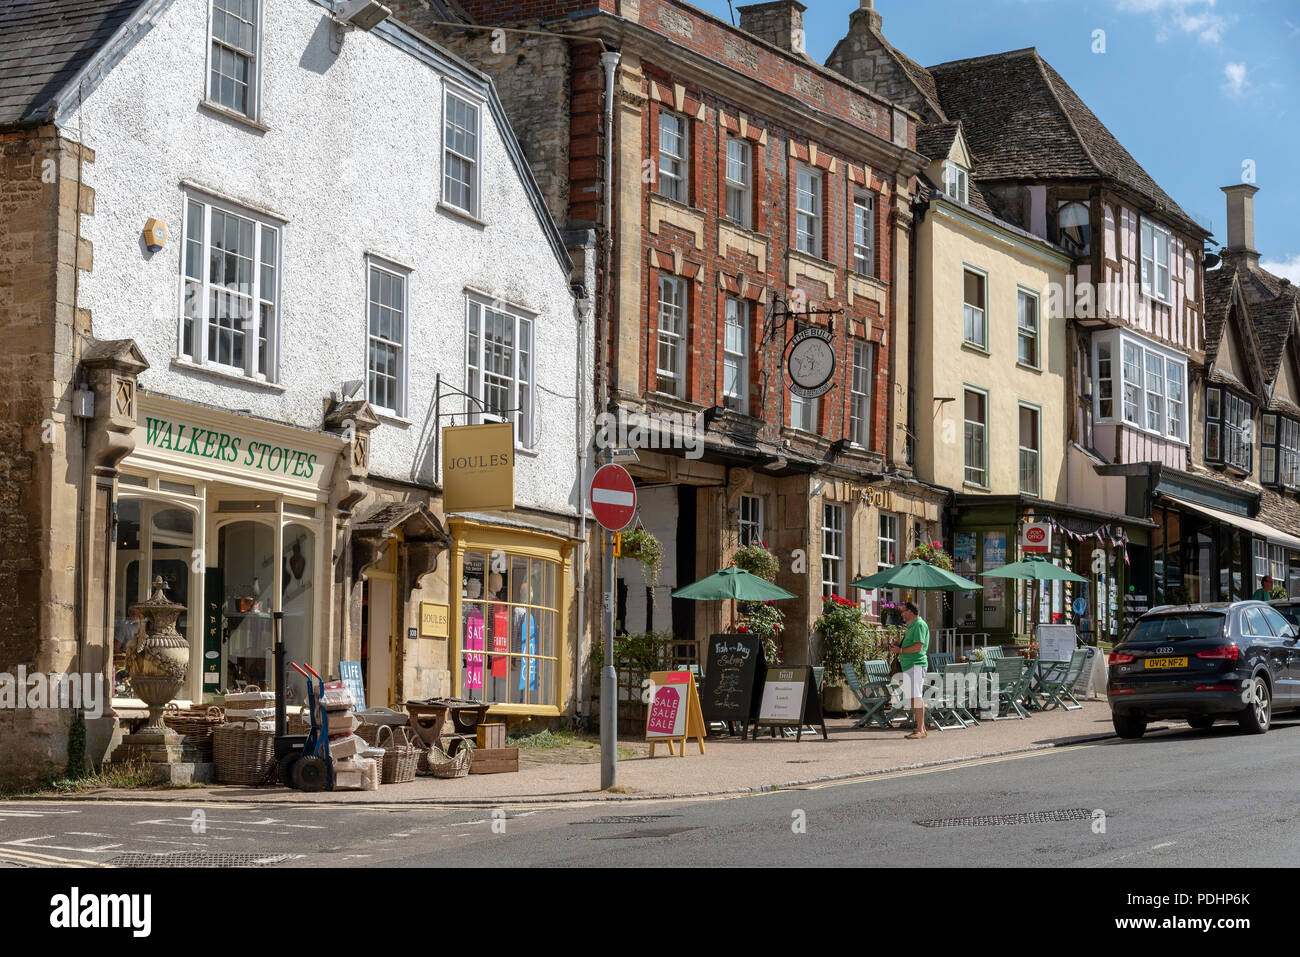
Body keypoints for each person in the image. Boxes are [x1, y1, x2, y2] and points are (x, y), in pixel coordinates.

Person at [891, 601, 930, 740]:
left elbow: (918, 647)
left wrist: (900, 650)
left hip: (916, 664)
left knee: (917, 697)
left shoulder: (919, 624)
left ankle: (920, 729)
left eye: (903, 611)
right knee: (914, 697)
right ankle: (921, 728)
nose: (902, 613)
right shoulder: (913, 625)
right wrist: (899, 646)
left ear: (911, 611)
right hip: (911, 665)